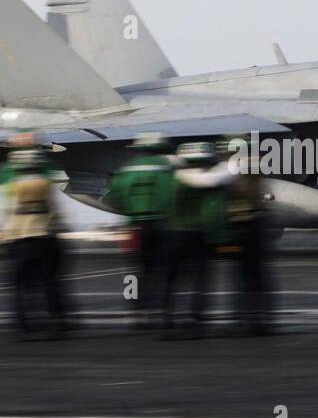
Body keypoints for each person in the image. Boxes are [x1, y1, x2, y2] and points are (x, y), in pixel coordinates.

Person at [106, 133, 176, 327]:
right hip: (162, 225)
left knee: (134, 271)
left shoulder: (126, 170)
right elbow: (173, 196)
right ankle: (162, 311)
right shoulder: (167, 168)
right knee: (162, 269)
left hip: (135, 226)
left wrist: (130, 211)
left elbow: (113, 199)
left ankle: (136, 312)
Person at [162, 141, 231, 337]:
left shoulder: (172, 177)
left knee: (172, 281)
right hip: (196, 236)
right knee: (198, 281)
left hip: (173, 234)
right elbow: (213, 205)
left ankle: (169, 320)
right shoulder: (200, 179)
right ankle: (193, 320)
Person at [2, 147, 66, 339]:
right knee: (49, 283)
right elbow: (53, 211)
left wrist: (8, 239)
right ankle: (55, 325)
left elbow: (10, 213)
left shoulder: (12, 185)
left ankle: (25, 326)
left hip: (21, 239)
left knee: (22, 287)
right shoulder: (45, 183)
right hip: (45, 238)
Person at [221, 134, 273, 335]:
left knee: (242, 277)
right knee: (257, 276)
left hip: (241, 230)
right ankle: (262, 319)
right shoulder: (255, 167)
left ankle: (245, 321)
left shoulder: (236, 171)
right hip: (256, 228)